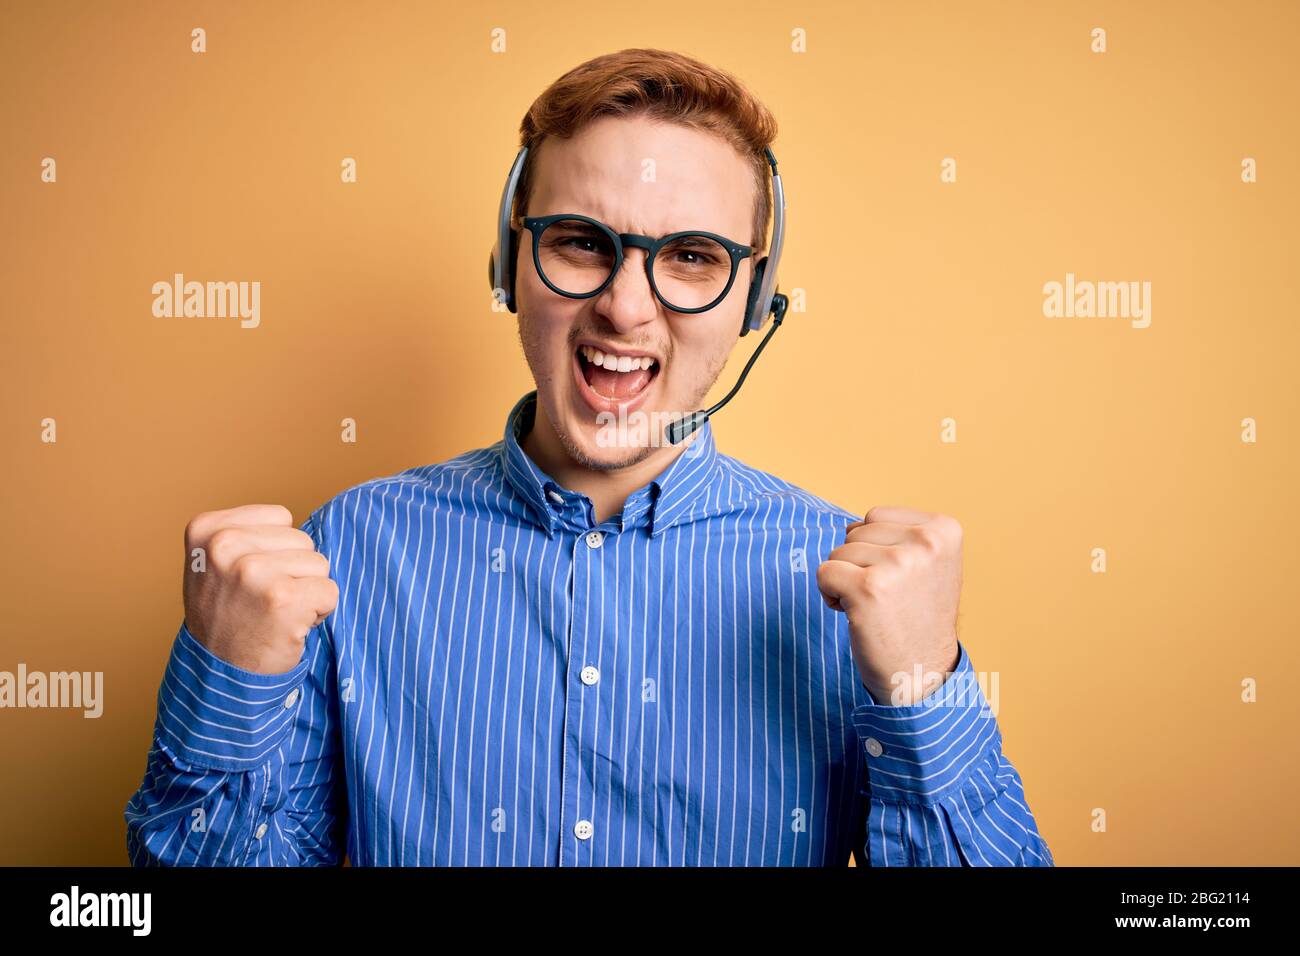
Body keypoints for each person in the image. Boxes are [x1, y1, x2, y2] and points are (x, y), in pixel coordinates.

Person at [125, 48, 1053, 867]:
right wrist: (227, 688)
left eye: (691, 256)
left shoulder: (853, 590)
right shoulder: (351, 550)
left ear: (756, 301)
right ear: (508, 261)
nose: (625, 306)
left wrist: (927, 694)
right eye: (579, 242)